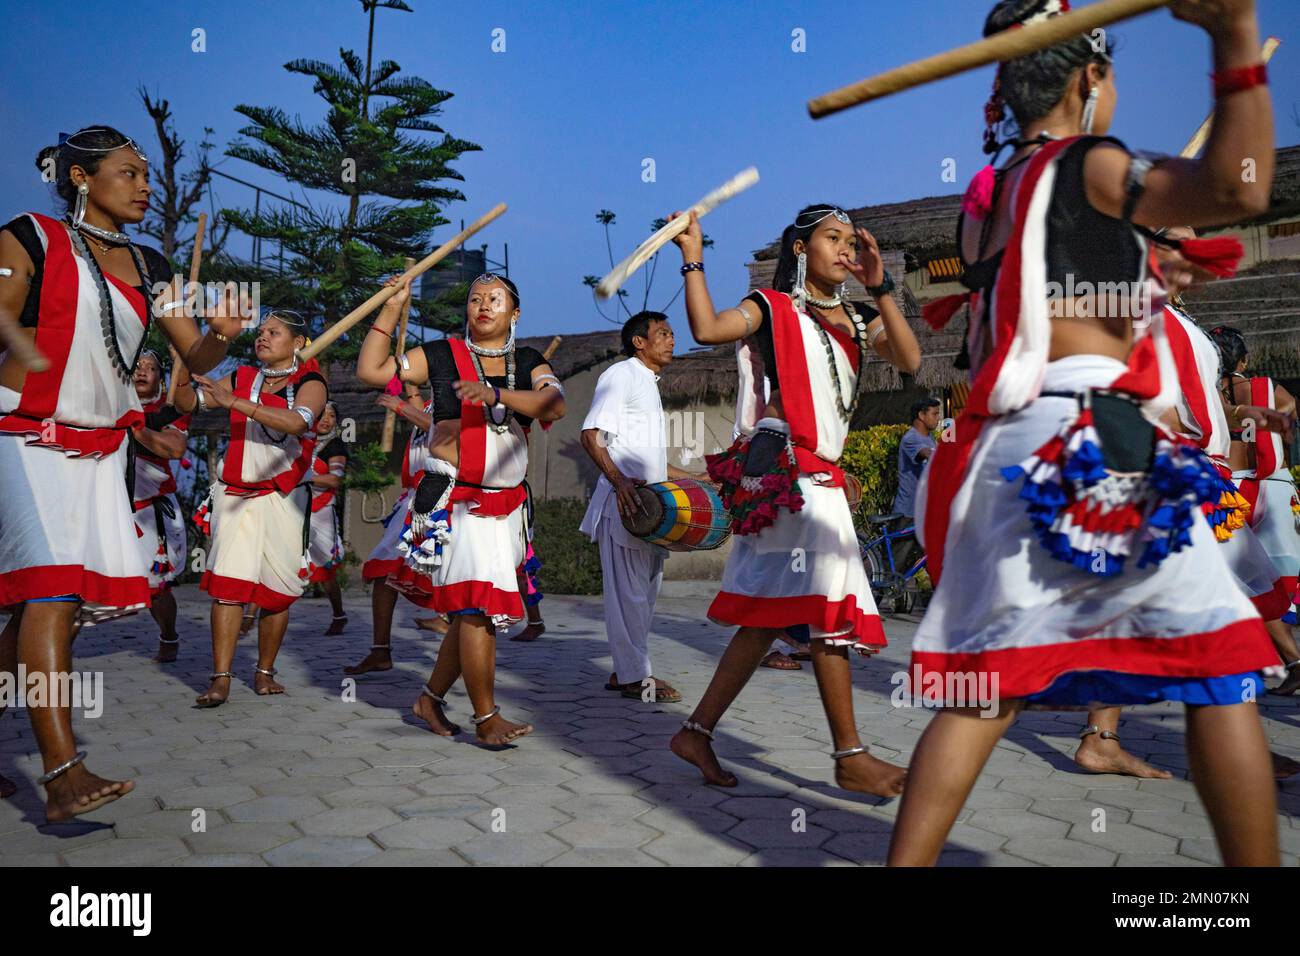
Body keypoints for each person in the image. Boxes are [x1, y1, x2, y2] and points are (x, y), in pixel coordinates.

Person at [889, 0, 1283, 867]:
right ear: (1088, 78)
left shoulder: (987, 202)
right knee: (1219, 670)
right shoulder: (1093, 165)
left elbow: (1059, 296)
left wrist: (1139, 263)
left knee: (984, 688)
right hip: (1093, 446)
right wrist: (1233, 39)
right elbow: (1245, 186)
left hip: (1006, 454)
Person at [0, 125, 237, 820]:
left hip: (101, 451)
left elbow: (198, 357)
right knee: (50, 593)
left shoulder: (153, 264)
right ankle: (63, 771)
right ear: (82, 178)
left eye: (146, 175)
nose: (144, 185)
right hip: (26, 436)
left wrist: (222, 330)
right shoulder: (28, 235)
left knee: (43, 610)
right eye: (129, 172)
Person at [667, 202, 922, 794]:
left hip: (816, 476)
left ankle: (697, 732)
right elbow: (707, 330)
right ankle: (849, 754)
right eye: (831, 239)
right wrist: (693, 260)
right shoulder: (772, 308)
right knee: (826, 606)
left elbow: (910, 360)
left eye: (850, 243)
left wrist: (880, 286)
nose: (844, 250)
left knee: (768, 619)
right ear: (801, 249)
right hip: (789, 473)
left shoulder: (859, 320)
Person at [357, 273, 565, 747]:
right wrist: (393, 306)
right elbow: (372, 371)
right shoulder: (440, 354)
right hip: (456, 500)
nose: (482, 305)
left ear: (515, 313)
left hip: (507, 507)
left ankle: (429, 698)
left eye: (495, 299)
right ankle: (486, 717)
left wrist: (496, 395)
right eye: (474, 298)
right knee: (475, 606)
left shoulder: (529, 362)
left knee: (476, 610)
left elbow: (554, 406)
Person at [191, 309, 328, 706]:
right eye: (261, 331)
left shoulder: (311, 382)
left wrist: (233, 402)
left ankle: (265, 671)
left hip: (283, 497)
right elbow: (190, 401)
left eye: (275, 332)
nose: (263, 337)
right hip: (235, 495)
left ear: (298, 343)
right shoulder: (242, 377)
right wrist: (189, 361)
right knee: (229, 587)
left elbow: (296, 423)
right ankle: (220, 678)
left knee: (277, 589)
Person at [580, 310, 700, 702]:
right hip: (626, 508)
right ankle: (636, 677)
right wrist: (618, 482)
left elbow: (650, 461)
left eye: (671, 333)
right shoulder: (622, 375)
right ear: (639, 342)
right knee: (629, 596)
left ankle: (625, 669)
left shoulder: (647, 383)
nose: (671, 340)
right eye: (663, 333)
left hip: (651, 512)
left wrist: (697, 479)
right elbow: (591, 434)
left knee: (644, 596)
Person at [1212, 324, 1300, 695]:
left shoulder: (1211, 394)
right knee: (1285, 581)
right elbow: (1290, 412)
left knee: (1244, 582)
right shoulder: (1268, 388)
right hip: (1272, 486)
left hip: (1230, 490)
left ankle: (1278, 659)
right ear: (1245, 358)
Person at [346, 388, 432, 675]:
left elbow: (447, 430)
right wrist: (405, 388)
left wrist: (400, 406)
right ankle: (380, 650)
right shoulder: (430, 403)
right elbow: (418, 404)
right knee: (385, 570)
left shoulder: (463, 401)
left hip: (445, 496)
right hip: (416, 497)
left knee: (451, 575)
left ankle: (459, 641)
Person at [130, 350, 191, 664]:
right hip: (109, 504)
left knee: (157, 586)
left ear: (160, 377)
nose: (142, 372)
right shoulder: (111, 403)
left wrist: (135, 430)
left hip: (151, 509)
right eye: (137, 366)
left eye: (151, 368)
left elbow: (174, 448)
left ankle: (169, 635)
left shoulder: (170, 409)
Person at [307, 401, 349, 635]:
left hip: (322, 513)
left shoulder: (336, 447)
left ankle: (339, 614)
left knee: (326, 569)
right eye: (321, 415)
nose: (326, 420)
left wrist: (301, 477)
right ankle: (253, 616)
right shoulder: (301, 442)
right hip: (296, 510)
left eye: (332, 416)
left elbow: (334, 480)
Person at [894, 398, 940, 518]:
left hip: (923, 510)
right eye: (934, 414)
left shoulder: (930, 437)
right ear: (921, 415)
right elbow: (928, 454)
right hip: (908, 513)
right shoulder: (911, 438)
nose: (938, 418)